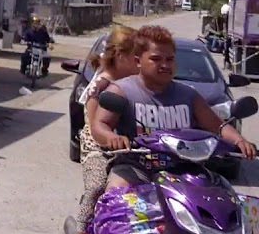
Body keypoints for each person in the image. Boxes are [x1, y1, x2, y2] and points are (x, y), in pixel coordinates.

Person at [91, 25, 258, 194]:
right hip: (135, 169)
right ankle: (89, 220)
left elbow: (219, 126)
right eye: (156, 59)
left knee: (221, 203)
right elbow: (100, 125)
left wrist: (238, 140)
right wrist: (112, 137)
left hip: (185, 172)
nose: (164, 65)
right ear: (138, 61)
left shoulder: (188, 95)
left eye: (170, 59)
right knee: (115, 198)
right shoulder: (121, 91)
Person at [69, 25, 139, 234]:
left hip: (130, 145)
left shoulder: (136, 82)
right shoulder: (102, 83)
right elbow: (95, 124)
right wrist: (109, 138)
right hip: (98, 146)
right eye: (134, 57)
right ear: (119, 55)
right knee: (97, 188)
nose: (137, 63)